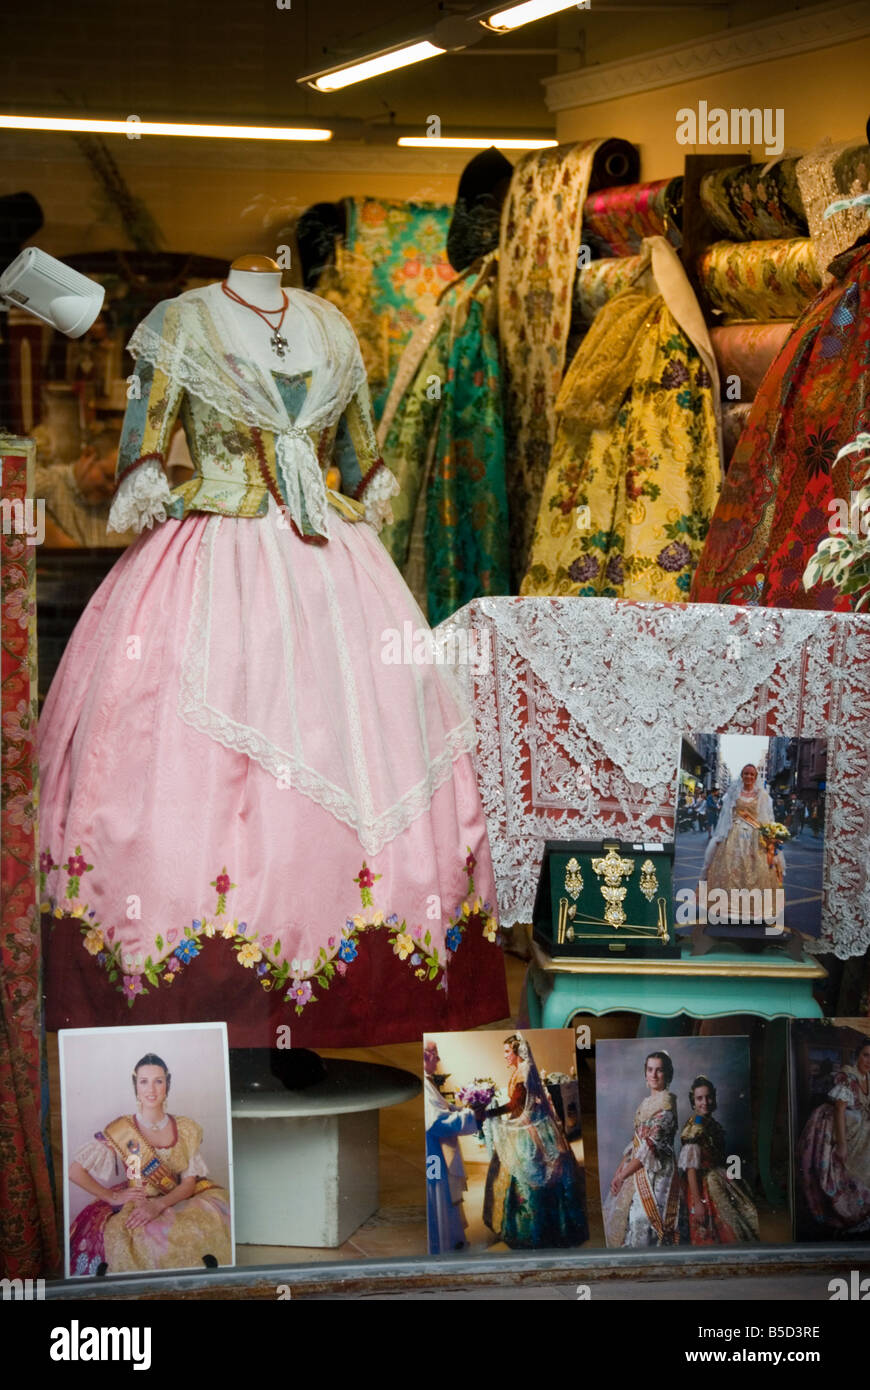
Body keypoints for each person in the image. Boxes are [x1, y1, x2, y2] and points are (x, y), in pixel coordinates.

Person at [38, 272, 508, 1048]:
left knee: (353, 753)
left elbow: (148, 465)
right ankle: (224, 990)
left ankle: (307, 987)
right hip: (280, 561)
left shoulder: (326, 326)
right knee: (211, 757)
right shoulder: (184, 323)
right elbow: (358, 467)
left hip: (316, 560)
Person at [68, 1053, 231, 1275]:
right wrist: (113, 1197)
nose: (151, 1089)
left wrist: (159, 1205)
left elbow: (188, 1184)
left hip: (176, 1198)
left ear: (168, 1084)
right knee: (134, 1243)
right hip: (136, 1203)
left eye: (159, 1081)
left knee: (207, 1223)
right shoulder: (120, 1130)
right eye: (144, 1081)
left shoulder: (186, 1128)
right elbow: (75, 1172)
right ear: (135, 1086)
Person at [481, 1034, 587, 1249]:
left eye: (507, 1052)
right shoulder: (520, 1072)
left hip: (530, 1127)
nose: (505, 1056)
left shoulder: (524, 1073)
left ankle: (537, 1230)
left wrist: (488, 1112)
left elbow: (514, 1106)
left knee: (534, 1170)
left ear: (517, 1052)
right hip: (526, 1122)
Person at [605, 1050, 686, 1247]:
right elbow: (635, 1144)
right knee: (621, 1219)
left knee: (643, 1220)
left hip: (658, 1173)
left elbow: (648, 1149)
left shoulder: (667, 1106)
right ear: (645, 1073)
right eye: (650, 1070)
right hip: (636, 1168)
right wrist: (618, 1172)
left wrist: (622, 1175)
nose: (654, 1075)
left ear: (667, 1075)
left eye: (659, 1070)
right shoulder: (646, 1103)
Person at [797, 1039, 870, 1236]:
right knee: (841, 1166)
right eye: (866, 1055)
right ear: (857, 1056)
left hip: (857, 1125)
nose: (869, 1060)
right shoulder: (847, 1076)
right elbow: (839, 1109)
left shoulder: (867, 1077)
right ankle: (846, 1213)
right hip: (836, 1125)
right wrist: (842, 1144)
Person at [679, 1075, 760, 1244]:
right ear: (693, 1102)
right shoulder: (696, 1125)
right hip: (704, 1186)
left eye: (708, 1097)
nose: (705, 1102)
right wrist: (697, 1203)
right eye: (699, 1098)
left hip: (720, 1178)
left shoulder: (710, 1122)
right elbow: (691, 1169)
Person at [423, 1039, 483, 1254]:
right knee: (439, 1195)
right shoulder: (425, 1084)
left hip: (436, 1151)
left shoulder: (428, 1083)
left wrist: (463, 1110)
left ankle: (451, 1239)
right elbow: (437, 1123)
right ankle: (443, 1245)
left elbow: (444, 1107)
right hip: (433, 1153)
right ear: (425, 1056)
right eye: (435, 1054)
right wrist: (469, 1115)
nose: (438, 1059)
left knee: (445, 1195)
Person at [702, 764, 781, 922]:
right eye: (746, 774)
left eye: (752, 774)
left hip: (754, 835)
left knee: (755, 868)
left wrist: (770, 837)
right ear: (742, 775)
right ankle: (726, 908)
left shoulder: (763, 795)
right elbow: (726, 814)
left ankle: (754, 909)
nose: (749, 777)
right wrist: (721, 835)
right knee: (730, 866)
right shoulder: (733, 792)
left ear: (756, 776)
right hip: (735, 833)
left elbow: (767, 817)